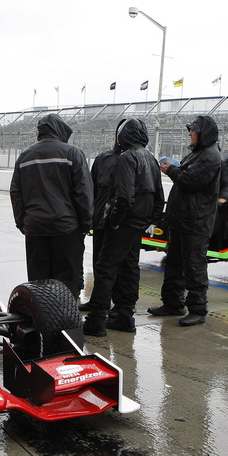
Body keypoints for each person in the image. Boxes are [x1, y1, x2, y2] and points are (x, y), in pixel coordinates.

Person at [82, 119, 164, 336]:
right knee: (129, 269)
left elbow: (124, 197)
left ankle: (96, 320)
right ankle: (125, 316)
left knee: (105, 268)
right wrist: (147, 221)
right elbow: (159, 198)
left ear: (123, 136)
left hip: (124, 223)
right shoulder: (151, 159)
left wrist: (115, 221)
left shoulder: (127, 158)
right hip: (138, 224)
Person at [149, 116, 222, 326]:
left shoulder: (210, 157)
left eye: (194, 130)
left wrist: (171, 170)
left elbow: (189, 181)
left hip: (196, 223)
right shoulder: (197, 154)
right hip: (182, 221)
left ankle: (198, 309)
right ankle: (173, 303)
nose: (190, 133)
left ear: (204, 133)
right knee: (174, 264)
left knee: (194, 267)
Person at [10, 114, 92, 299]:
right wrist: (86, 224)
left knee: (38, 283)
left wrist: (22, 223)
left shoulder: (25, 156)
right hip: (67, 229)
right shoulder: (72, 153)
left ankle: (40, 321)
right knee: (67, 284)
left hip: (35, 228)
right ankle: (65, 323)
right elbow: (84, 192)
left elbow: (16, 192)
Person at [80, 118, 126, 312]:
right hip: (101, 222)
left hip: (121, 224)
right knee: (99, 263)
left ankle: (119, 303)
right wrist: (91, 219)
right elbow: (91, 189)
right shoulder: (103, 158)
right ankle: (100, 300)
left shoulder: (136, 159)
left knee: (121, 267)